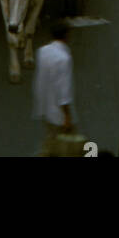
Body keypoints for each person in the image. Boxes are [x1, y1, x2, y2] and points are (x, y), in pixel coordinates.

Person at [32, 20, 75, 156]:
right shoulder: (64, 58)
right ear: (67, 35)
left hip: (45, 108)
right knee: (63, 147)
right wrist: (67, 116)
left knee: (50, 141)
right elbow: (64, 91)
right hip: (58, 113)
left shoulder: (43, 51)